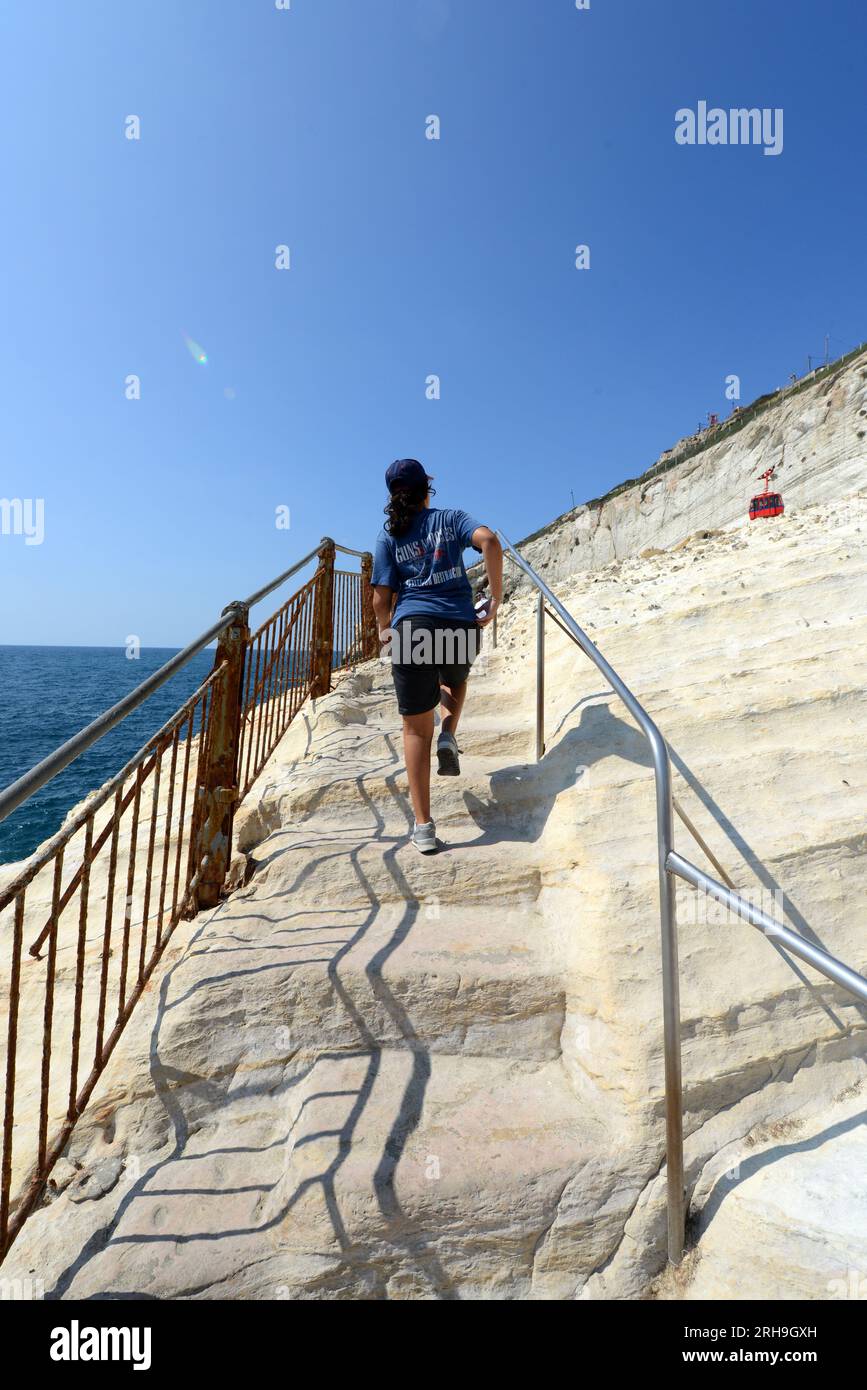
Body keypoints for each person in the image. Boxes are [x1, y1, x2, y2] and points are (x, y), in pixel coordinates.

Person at [371, 459, 503, 854]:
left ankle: (424, 827)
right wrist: (494, 598)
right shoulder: (450, 518)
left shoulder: (388, 534)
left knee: (413, 730)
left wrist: (384, 631)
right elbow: (491, 542)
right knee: (454, 680)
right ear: (428, 487)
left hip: (412, 628)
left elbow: (381, 596)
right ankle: (448, 733)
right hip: (458, 624)